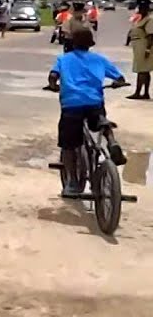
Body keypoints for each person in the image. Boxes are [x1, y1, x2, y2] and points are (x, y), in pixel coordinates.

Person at [48, 27, 127, 196]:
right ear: (90, 44)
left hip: (71, 104)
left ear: (72, 43)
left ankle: (72, 182)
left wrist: (53, 86)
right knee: (100, 121)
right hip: (94, 102)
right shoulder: (99, 59)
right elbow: (120, 78)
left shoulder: (64, 59)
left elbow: (53, 76)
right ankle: (111, 142)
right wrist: (117, 83)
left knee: (68, 145)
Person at [126, 0, 153, 100]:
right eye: (140, 7)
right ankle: (145, 93)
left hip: (144, 46)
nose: (141, 9)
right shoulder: (141, 19)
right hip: (138, 46)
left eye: (143, 8)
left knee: (141, 70)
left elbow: (151, 36)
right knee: (145, 71)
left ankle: (138, 92)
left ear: (147, 8)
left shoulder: (149, 20)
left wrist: (148, 50)